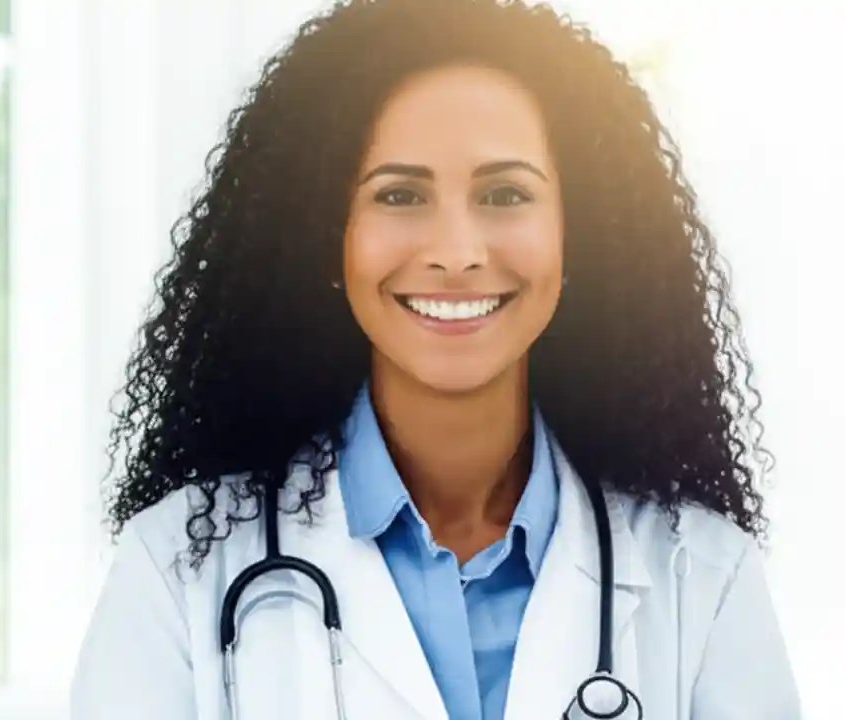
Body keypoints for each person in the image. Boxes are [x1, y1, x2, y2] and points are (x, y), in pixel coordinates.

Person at [70, 0, 800, 717]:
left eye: (507, 193)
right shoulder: (178, 569)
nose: (456, 254)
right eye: (400, 195)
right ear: (328, 234)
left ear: (578, 236)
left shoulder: (701, 577)